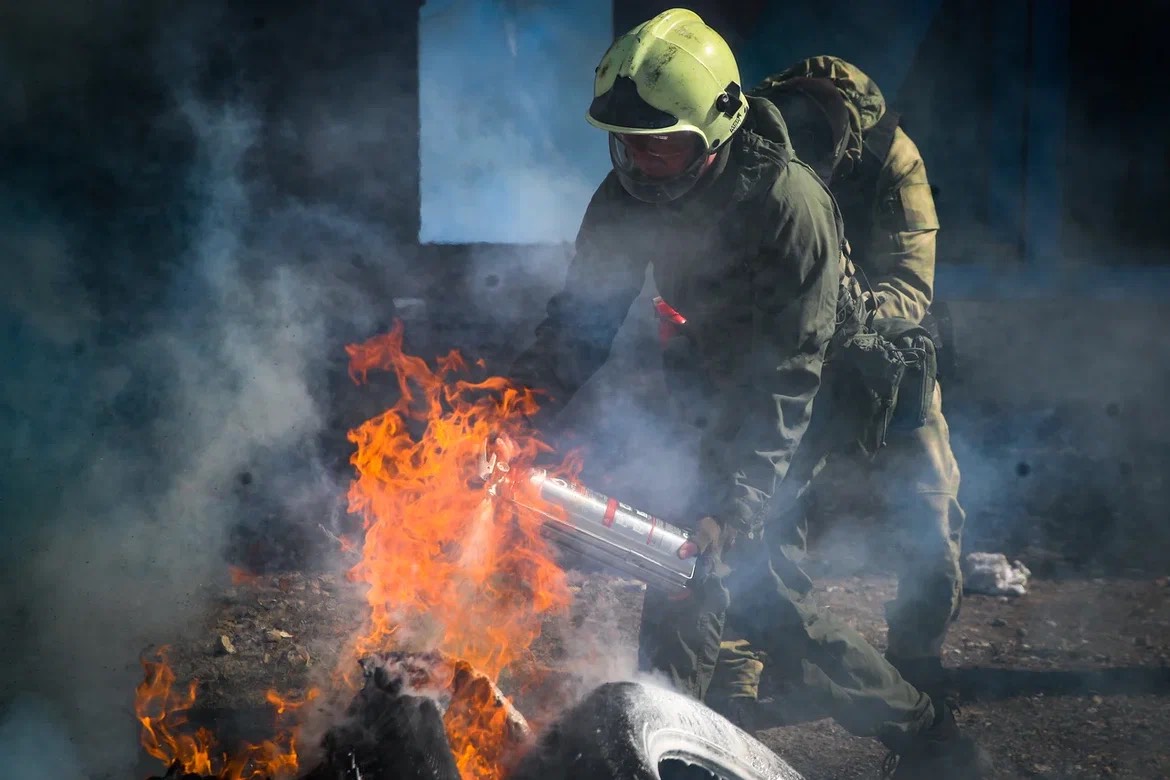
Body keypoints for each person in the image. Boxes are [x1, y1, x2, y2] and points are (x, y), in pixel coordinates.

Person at [505, 10, 991, 779]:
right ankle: (664, 738)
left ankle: (930, 736)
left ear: (716, 132)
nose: (637, 161)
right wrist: (512, 412)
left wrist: (736, 500)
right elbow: (580, 322)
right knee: (694, 573)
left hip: (820, 390)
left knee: (753, 584)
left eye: (660, 144)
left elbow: (791, 372)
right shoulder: (628, 193)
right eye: (624, 141)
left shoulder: (789, 207)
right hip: (719, 378)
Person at [708, 58, 962, 710]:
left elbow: (912, 286)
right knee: (757, 512)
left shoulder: (890, 160)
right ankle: (739, 666)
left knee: (932, 508)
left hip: (880, 357)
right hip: (785, 354)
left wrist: (848, 306)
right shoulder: (747, 145)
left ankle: (915, 655)